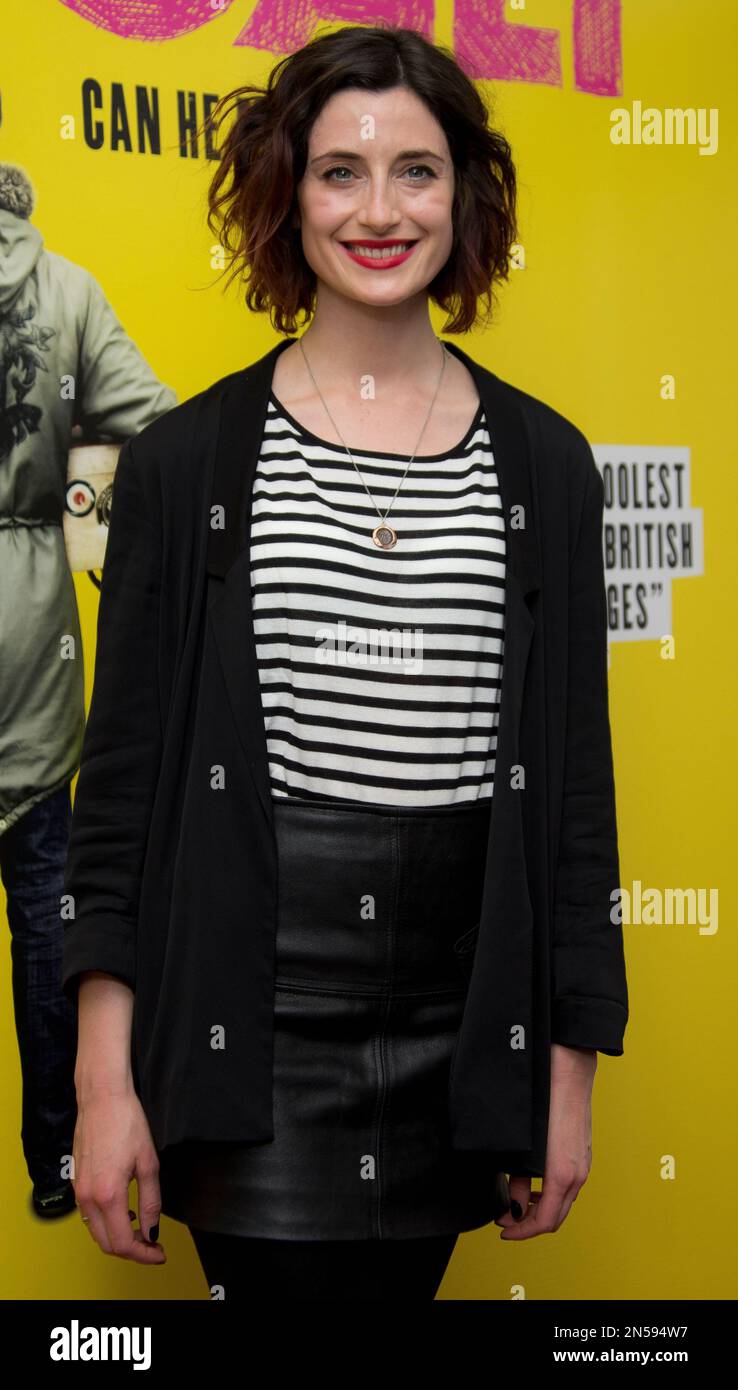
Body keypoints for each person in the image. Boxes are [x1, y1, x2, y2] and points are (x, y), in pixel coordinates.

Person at [62, 25, 628, 1301]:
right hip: (244, 1023)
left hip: (465, 1020)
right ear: (287, 194)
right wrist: (103, 1085)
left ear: (467, 197)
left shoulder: (545, 466)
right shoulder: (185, 464)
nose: (381, 209)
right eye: (341, 171)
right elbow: (119, 811)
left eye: (417, 170)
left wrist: (568, 1070)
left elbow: (577, 803)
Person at [0, 162, 177, 1220]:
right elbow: (157, 432)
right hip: (30, 644)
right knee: (45, 899)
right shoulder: (61, 286)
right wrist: (76, 485)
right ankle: (62, 1159)